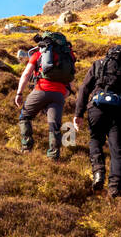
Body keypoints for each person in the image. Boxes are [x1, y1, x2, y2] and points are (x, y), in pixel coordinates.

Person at [73, 44, 121, 198]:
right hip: (120, 110)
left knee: (95, 140)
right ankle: (115, 189)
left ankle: (98, 172)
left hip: (96, 107)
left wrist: (78, 113)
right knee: (118, 151)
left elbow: (84, 89)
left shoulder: (98, 64)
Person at [15, 32, 76, 161]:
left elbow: (26, 74)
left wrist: (19, 93)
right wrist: (64, 94)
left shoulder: (38, 54)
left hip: (41, 90)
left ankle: (26, 148)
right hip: (59, 95)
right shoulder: (68, 56)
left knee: (25, 116)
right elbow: (71, 80)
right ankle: (53, 157)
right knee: (54, 125)